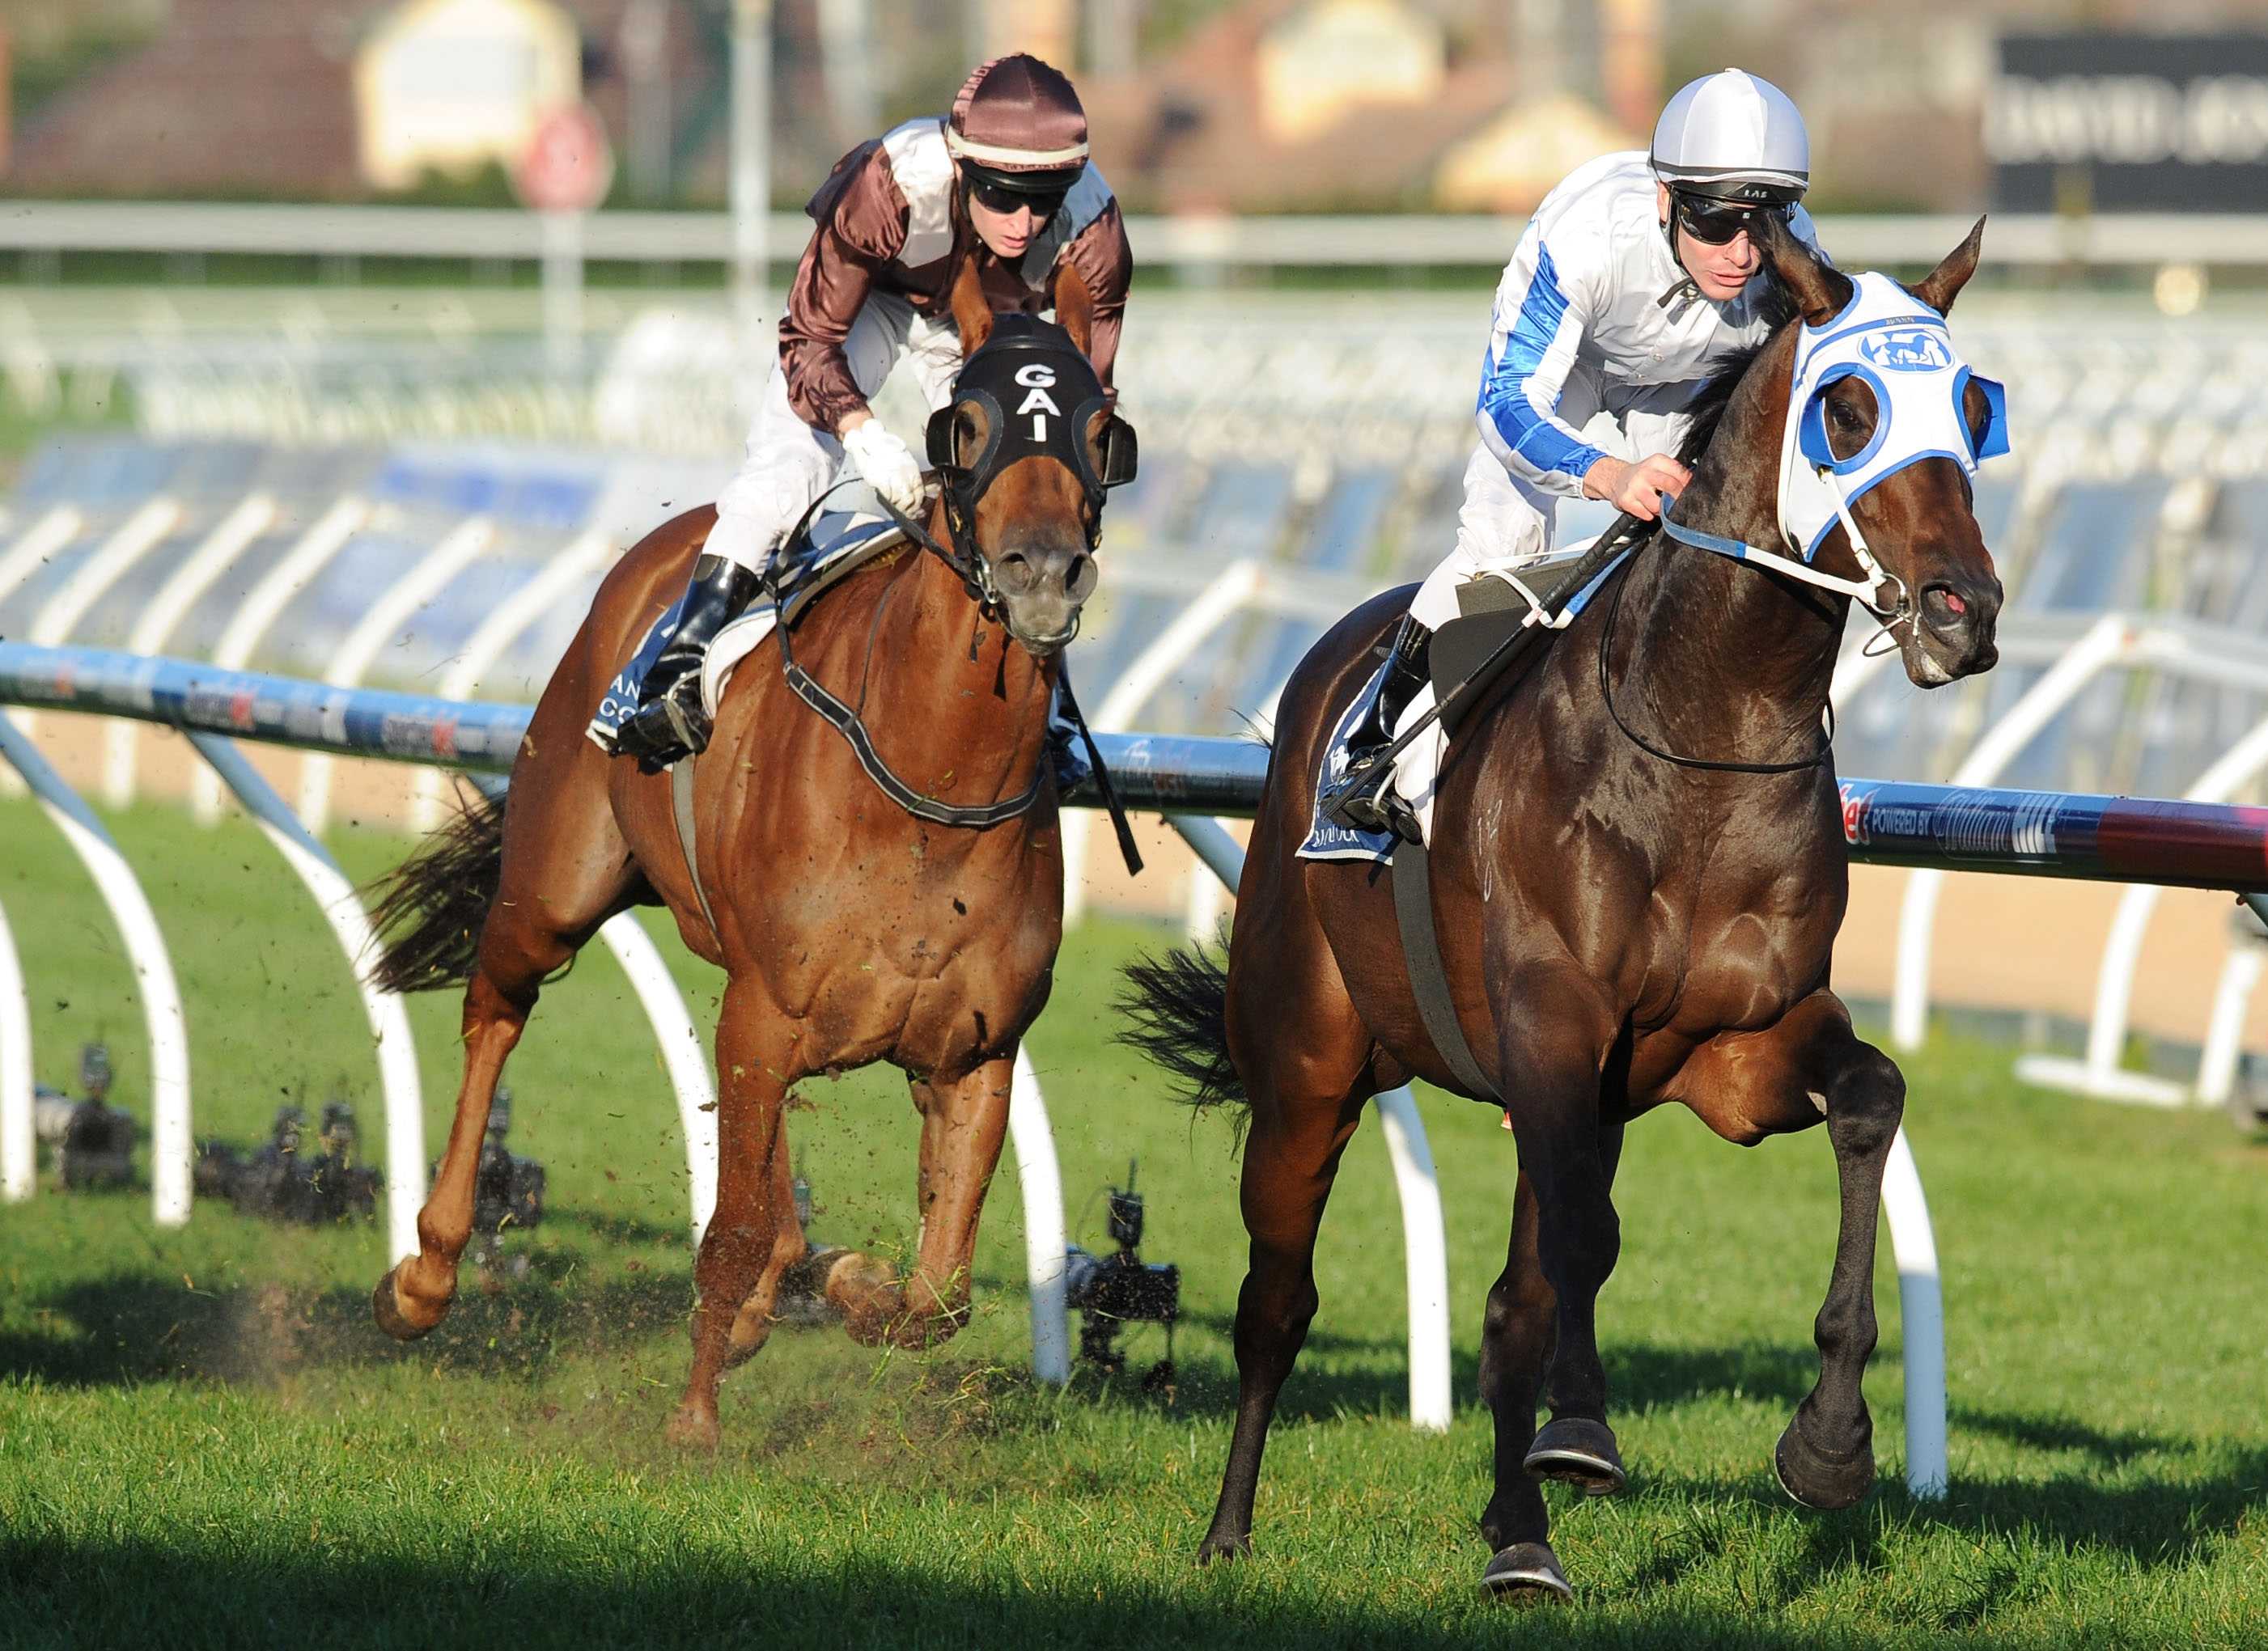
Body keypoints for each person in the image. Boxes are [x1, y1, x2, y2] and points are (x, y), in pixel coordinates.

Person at [1325, 68, 1825, 830]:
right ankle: (1374, 733)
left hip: (1687, 382)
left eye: (1761, 227)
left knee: (1702, 545)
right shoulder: (1585, 236)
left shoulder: (1793, 254)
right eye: (1716, 223)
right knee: (1502, 538)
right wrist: (1607, 473)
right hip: (1575, 366)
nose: (1740, 254)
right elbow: (1505, 404)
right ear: (1666, 200)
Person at [607, 53, 1132, 765]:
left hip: (985, 328)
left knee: (1016, 495)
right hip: (871, 305)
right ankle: (680, 664)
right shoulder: (888, 184)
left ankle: (1054, 710)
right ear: (961, 167)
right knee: (790, 464)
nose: (1023, 222)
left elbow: (1086, 403)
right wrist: (862, 432)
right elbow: (809, 341)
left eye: (1042, 202)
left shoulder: (1094, 233)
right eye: (1002, 198)